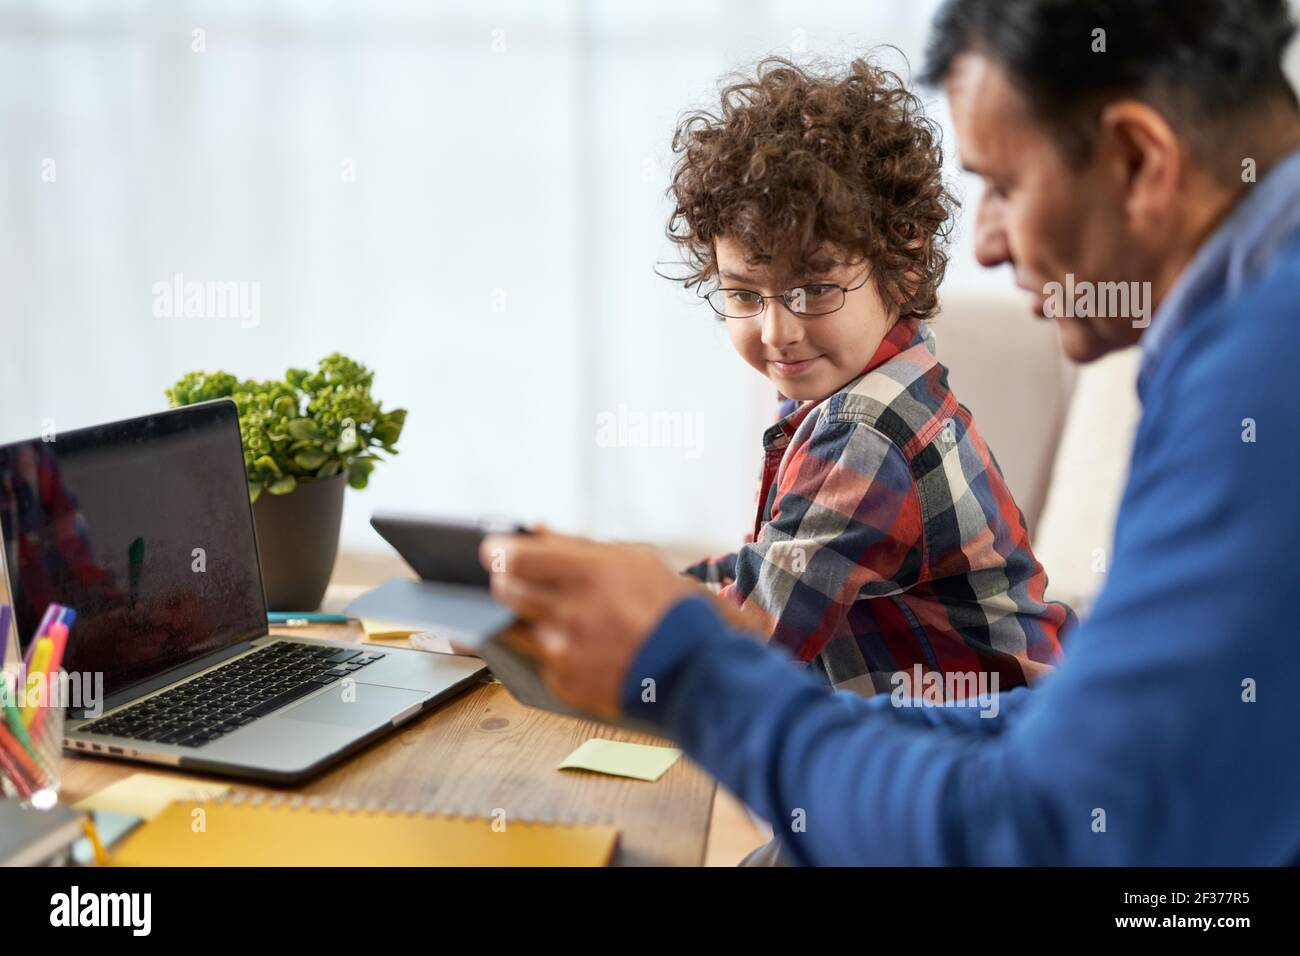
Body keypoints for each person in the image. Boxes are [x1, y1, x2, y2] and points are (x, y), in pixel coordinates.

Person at [482, 0, 1300, 864]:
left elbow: (1047, 832)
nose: (983, 245)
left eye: (1007, 186)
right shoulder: (1240, 326)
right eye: (746, 294)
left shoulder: (1261, 367)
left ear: (1138, 161)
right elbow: (1110, 746)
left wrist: (683, 665)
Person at [668, 57, 1072, 699]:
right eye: (744, 295)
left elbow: (750, 637)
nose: (776, 331)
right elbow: (771, 563)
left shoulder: (869, 430)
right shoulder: (858, 385)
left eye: (815, 288)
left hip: (996, 752)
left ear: (903, 258)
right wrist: (614, 584)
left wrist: (567, 628)